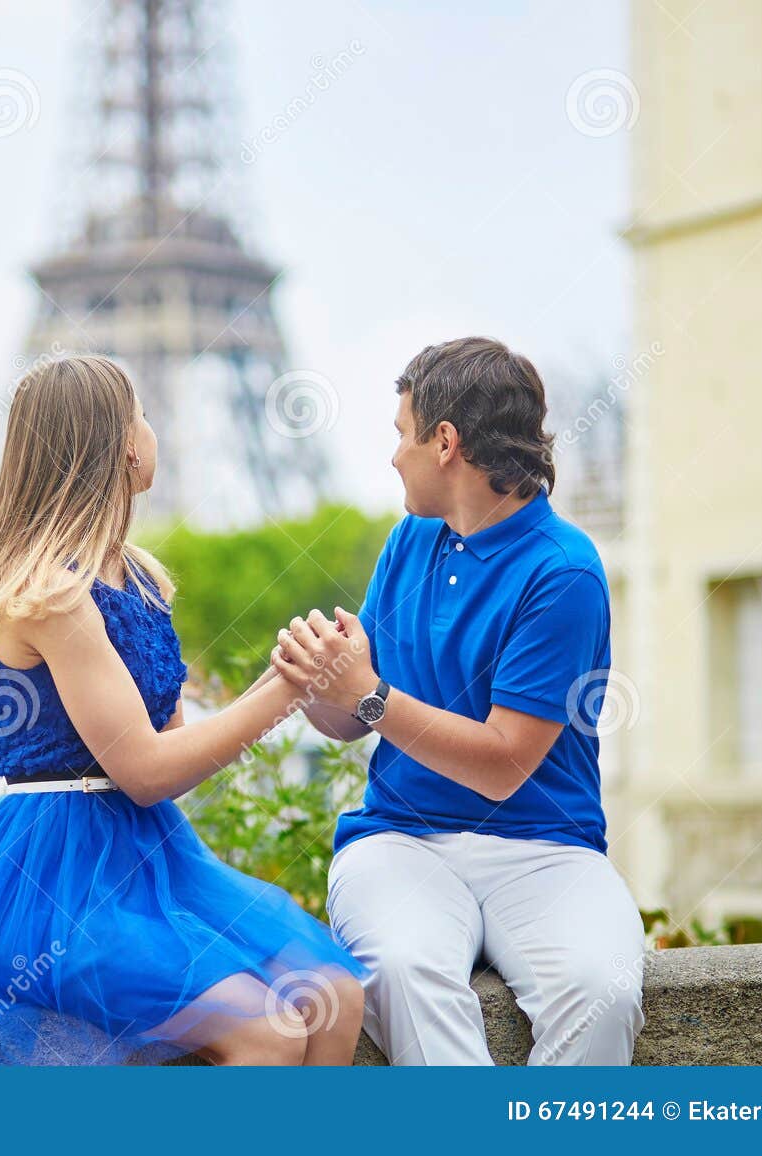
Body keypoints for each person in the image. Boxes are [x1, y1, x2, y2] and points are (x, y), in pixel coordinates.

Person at [0, 353, 364, 1066]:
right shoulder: (53, 597)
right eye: (144, 417)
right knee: (268, 1027)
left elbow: (174, 746)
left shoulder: (139, 575)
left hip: (143, 854)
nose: (151, 431)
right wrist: (288, 695)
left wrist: (290, 675)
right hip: (57, 881)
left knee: (335, 994)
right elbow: (146, 772)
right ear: (126, 444)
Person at [270, 336, 646, 1066]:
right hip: (399, 839)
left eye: (401, 434)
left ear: (444, 441)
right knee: (406, 974)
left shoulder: (563, 572)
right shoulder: (410, 541)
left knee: (600, 990)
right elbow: (352, 720)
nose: (392, 456)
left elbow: (505, 764)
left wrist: (371, 695)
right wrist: (319, 680)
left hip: (544, 848)